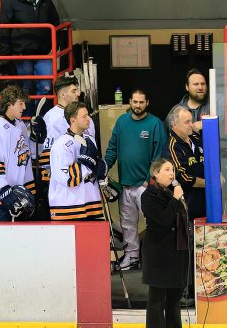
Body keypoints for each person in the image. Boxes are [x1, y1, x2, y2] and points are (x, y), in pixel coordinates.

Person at [105, 89, 168, 269]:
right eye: (135, 102)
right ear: (130, 102)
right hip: (125, 184)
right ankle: (132, 257)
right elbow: (112, 149)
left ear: (147, 102)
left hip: (145, 185)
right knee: (128, 224)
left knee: (153, 223)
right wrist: (104, 168)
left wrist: (149, 180)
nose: (138, 105)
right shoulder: (122, 121)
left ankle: (156, 259)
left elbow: (159, 156)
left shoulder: (155, 124)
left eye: (141, 102)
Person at [141, 157, 190, 328]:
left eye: (173, 170)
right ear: (156, 173)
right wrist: (176, 199)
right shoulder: (148, 196)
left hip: (176, 251)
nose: (172, 173)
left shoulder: (172, 193)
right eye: (167, 169)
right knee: (157, 299)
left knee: (174, 299)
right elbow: (163, 219)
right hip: (159, 254)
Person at [0, 0, 61, 99]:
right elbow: (4, 31)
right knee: (26, 90)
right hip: (21, 55)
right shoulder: (8, 2)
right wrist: (6, 58)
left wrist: (55, 47)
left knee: (46, 88)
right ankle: (27, 119)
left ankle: (39, 119)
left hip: (44, 54)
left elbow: (57, 24)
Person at [0, 85, 38, 221]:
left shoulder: (20, 125)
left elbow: (31, 154)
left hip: (19, 195)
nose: (24, 107)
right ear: (9, 104)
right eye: (20, 103)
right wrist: (6, 193)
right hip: (1, 198)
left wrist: (39, 139)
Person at [48, 101, 106, 221]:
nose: (89, 119)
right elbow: (66, 178)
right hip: (68, 207)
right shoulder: (61, 144)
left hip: (91, 203)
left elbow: (94, 166)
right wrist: (88, 165)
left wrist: (101, 169)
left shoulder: (89, 139)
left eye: (88, 115)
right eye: (84, 116)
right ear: (73, 120)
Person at [167, 105, 205, 220]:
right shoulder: (172, 146)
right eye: (187, 122)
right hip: (188, 206)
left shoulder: (196, 139)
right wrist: (210, 183)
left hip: (206, 202)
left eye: (191, 121)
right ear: (175, 124)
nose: (191, 125)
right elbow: (182, 177)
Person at [177, 68, 208, 139]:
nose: (200, 87)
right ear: (187, 87)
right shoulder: (177, 111)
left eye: (203, 84)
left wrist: (206, 124)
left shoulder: (216, 104)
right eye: (196, 84)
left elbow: (226, 125)